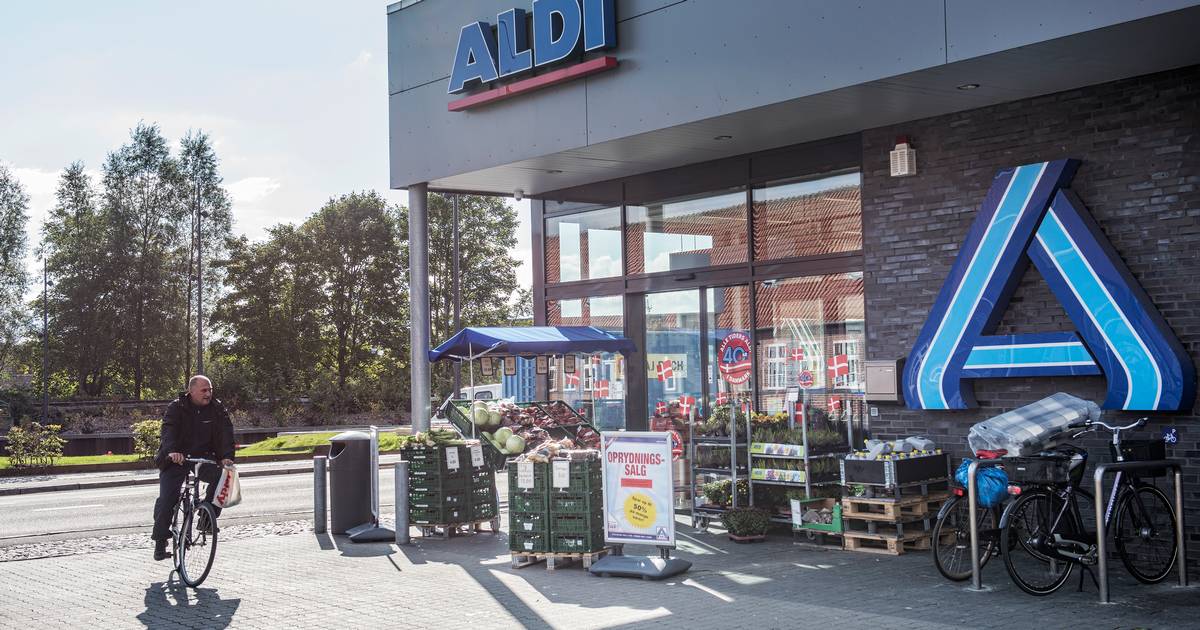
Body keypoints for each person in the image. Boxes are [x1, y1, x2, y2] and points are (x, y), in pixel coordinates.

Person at [151, 375, 235, 561]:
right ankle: (160, 541)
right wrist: (172, 451)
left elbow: (226, 433)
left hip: (203, 457)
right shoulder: (176, 407)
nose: (208, 394)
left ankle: (206, 519)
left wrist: (226, 457)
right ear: (191, 391)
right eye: (204, 390)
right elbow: (168, 430)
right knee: (167, 499)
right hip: (177, 458)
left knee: (224, 478)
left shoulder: (217, 408)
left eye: (210, 390)